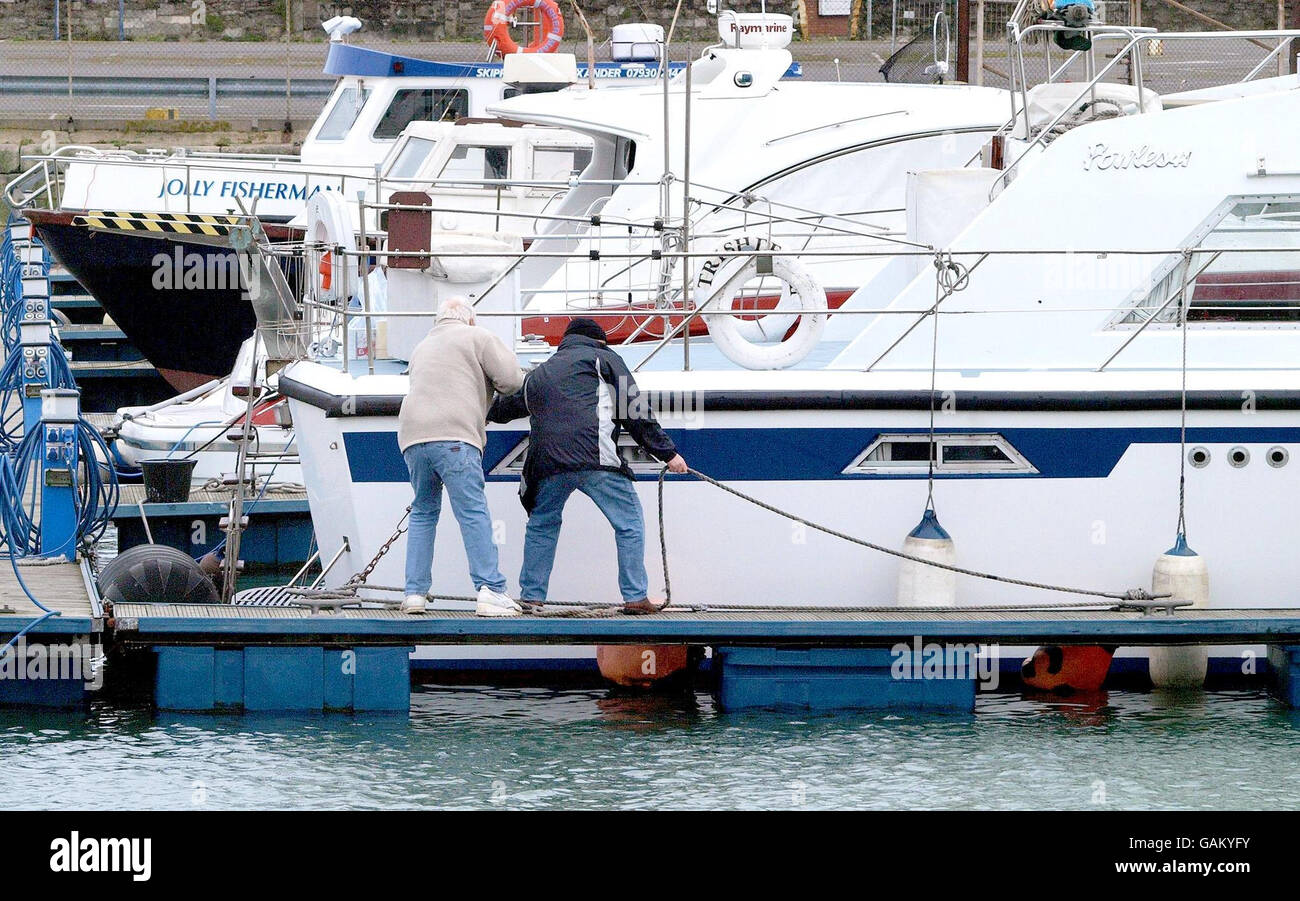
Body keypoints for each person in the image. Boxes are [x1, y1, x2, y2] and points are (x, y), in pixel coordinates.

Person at [489, 318, 688, 615]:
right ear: (600, 340)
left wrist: (471, 405)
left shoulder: (539, 373)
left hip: (546, 465)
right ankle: (635, 597)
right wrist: (668, 453)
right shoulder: (605, 359)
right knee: (629, 523)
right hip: (596, 458)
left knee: (542, 526)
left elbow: (503, 410)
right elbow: (634, 410)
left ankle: (531, 597)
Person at [397, 297, 525, 616]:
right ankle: (491, 590)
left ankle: (414, 592)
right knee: (472, 511)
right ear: (469, 319)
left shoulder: (421, 347)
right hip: (454, 435)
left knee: (424, 511)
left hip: (412, 437)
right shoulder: (476, 336)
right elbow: (511, 381)